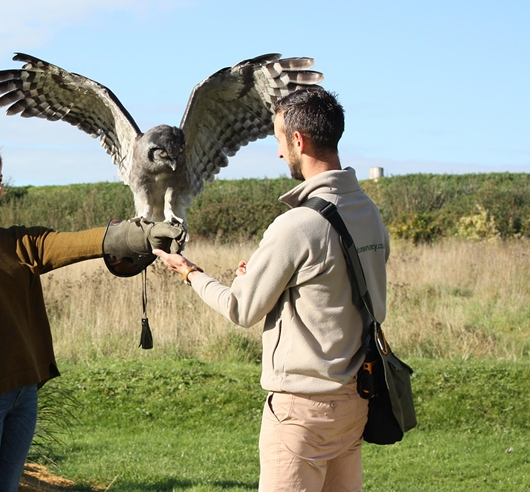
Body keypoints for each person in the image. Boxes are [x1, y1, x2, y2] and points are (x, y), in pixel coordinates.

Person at [154, 88, 391, 491]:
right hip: (354, 399)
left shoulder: (297, 225)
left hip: (302, 413)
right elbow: (336, 289)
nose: (280, 154)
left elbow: (241, 309)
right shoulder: (367, 211)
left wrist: (190, 271)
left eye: (280, 141)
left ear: (298, 140)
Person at [0, 144, 185, 491]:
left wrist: (140, 235)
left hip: (23, 394)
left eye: (1, 179)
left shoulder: (18, 242)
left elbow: (75, 243)